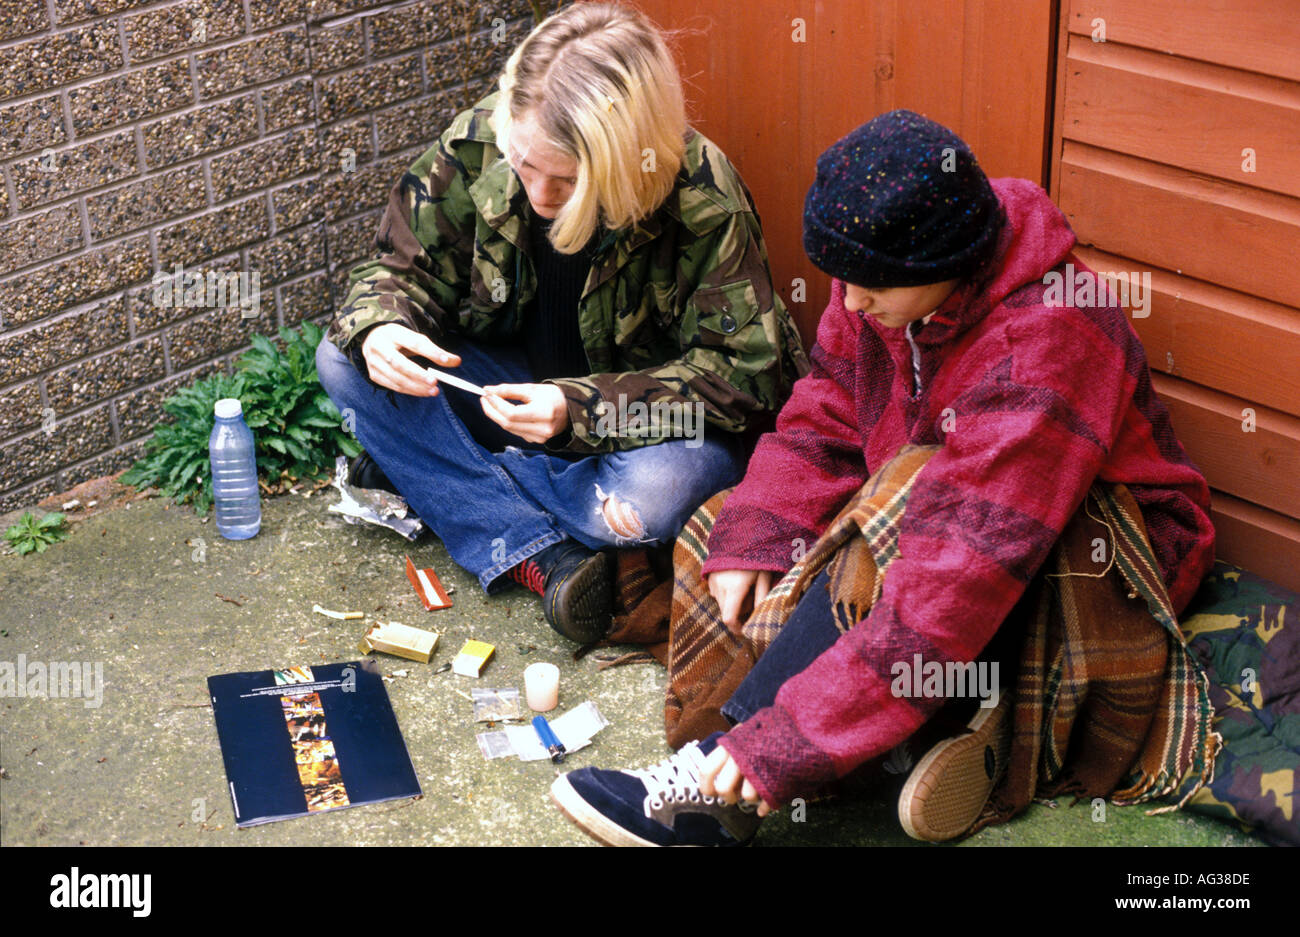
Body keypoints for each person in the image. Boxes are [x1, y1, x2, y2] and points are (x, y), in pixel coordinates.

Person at [549, 110, 1216, 846]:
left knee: (891, 521)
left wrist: (779, 751)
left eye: (869, 288)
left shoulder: (1044, 347)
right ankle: (924, 730)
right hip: (946, 514)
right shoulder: (882, 273)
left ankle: (721, 792)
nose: (848, 302)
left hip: (1096, 562)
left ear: (944, 266)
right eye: (842, 280)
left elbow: (955, 580)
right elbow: (828, 408)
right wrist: (759, 532)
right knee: (723, 529)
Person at [316, 2, 807, 643]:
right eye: (524, 165)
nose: (540, 196)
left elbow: (743, 379)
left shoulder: (701, 199)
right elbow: (399, 270)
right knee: (343, 358)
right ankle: (541, 552)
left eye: (570, 180)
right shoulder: (479, 142)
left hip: (637, 431)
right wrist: (382, 327)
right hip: (505, 392)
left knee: (651, 501)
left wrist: (579, 409)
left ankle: (432, 476)